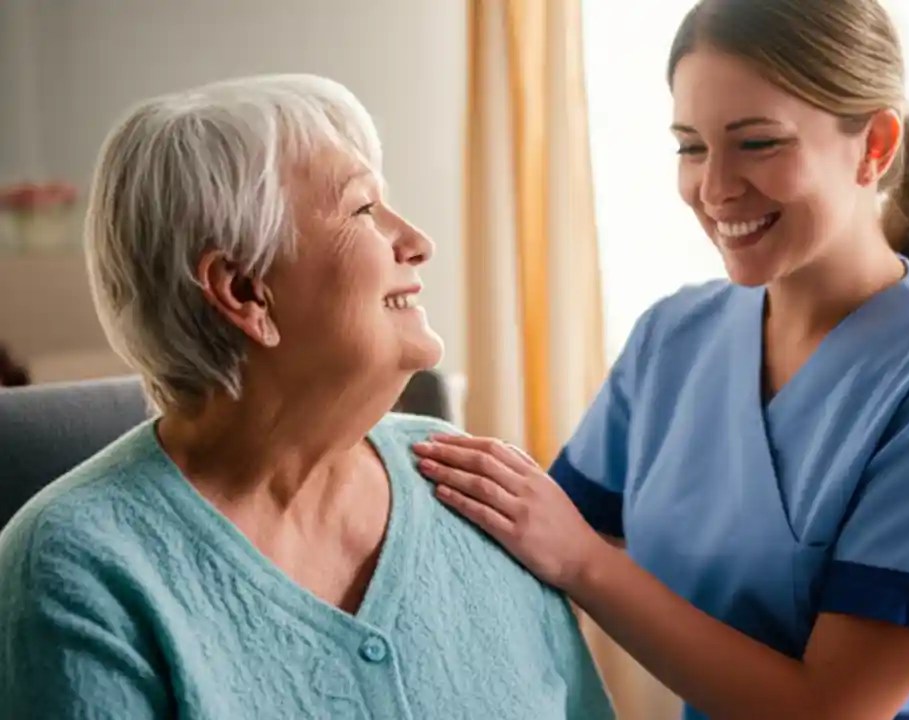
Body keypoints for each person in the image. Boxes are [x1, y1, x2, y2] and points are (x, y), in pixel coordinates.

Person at [412, 1, 909, 718]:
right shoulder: (671, 341)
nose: (714, 190)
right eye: (691, 148)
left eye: (759, 143)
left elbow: (830, 710)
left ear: (875, 144)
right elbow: (525, 549)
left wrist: (585, 562)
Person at [0, 74, 613, 720]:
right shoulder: (74, 569)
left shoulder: (476, 489)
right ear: (243, 291)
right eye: (363, 210)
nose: (417, 243)